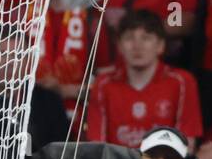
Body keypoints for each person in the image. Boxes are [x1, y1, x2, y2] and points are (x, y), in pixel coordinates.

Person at [84, 9, 202, 150]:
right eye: (129, 38)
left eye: (146, 38)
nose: (137, 46)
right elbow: (96, 146)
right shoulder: (104, 83)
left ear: (160, 45)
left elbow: (186, 144)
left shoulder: (182, 82)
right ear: (119, 46)